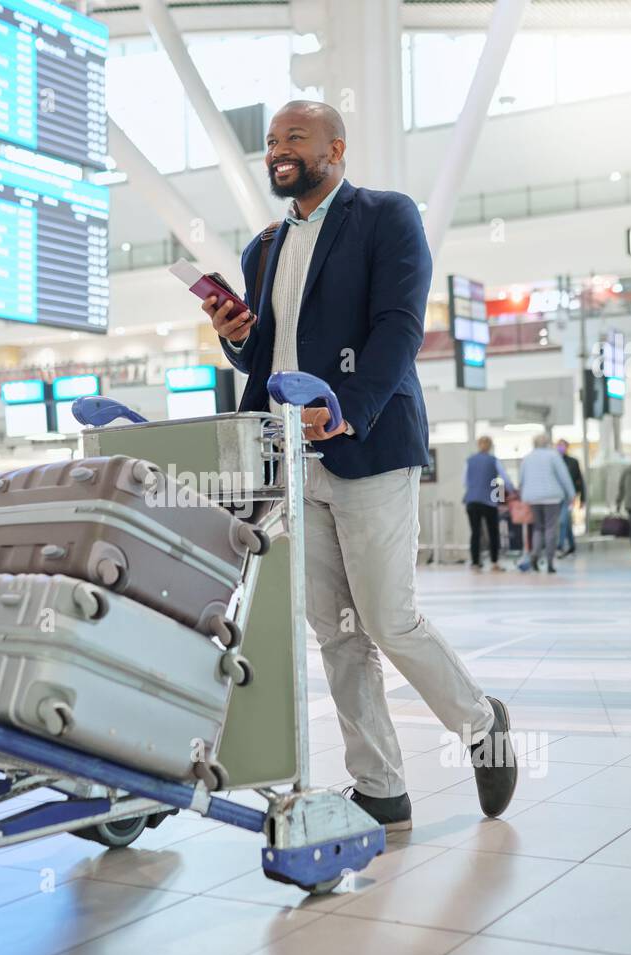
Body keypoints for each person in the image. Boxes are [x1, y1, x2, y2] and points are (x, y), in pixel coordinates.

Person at [200, 100, 517, 830]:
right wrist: (234, 335)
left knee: (387, 617)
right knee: (336, 632)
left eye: (296, 137)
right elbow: (267, 354)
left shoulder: (387, 216)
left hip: (367, 445)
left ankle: (481, 721)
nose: (279, 149)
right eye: (273, 140)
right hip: (291, 458)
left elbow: (398, 327)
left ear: (336, 148)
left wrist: (349, 408)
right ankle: (380, 785)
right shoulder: (263, 248)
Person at [517, 432, 576, 574]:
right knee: (551, 528)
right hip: (552, 497)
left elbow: (521, 480)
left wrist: (522, 495)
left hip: (533, 498)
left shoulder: (527, 458)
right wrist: (571, 494)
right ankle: (550, 562)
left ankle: (535, 556)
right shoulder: (553, 456)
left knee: (538, 528)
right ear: (548, 443)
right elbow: (564, 476)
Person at [463, 435, 514, 572]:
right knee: (493, 532)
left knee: (475, 532)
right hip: (489, 501)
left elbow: (465, 482)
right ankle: (494, 562)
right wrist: (513, 491)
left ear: (478, 445)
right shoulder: (494, 460)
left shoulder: (469, 460)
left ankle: (475, 563)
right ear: (490, 446)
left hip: (472, 500)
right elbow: (505, 479)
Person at [556, 439, 585, 557]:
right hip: (556, 496)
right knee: (566, 521)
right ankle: (572, 545)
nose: (560, 448)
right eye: (559, 446)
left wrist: (582, 498)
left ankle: (560, 546)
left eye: (563, 446)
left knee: (563, 520)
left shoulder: (573, 462)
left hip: (569, 497)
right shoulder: (554, 461)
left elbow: (579, 480)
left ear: (567, 447)